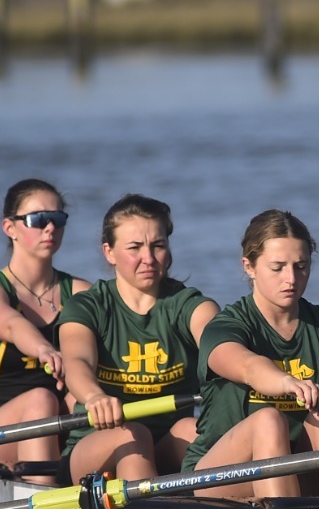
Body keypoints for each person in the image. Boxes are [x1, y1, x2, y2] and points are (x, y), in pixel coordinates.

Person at [181, 209, 319, 509]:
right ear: (249, 266)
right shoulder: (225, 326)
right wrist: (285, 382)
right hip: (218, 477)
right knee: (269, 420)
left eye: (301, 266)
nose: (291, 279)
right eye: (277, 267)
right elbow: (247, 366)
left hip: (296, 468)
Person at [60, 194, 218, 481]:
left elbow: (220, 346)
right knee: (134, 434)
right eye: (135, 247)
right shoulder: (87, 307)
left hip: (167, 441)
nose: (148, 258)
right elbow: (77, 362)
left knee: (192, 429)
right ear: (109, 252)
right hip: (98, 444)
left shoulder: (190, 305)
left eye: (158, 245)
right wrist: (94, 396)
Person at [0, 179, 90, 484]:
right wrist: (44, 349)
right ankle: (45, 502)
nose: (50, 229)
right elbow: (11, 324)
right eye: (38, 220)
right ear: (10, 228)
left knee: (81, 398)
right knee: (41, 400)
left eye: (58, 220)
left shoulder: (82, 292)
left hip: (57, 426)